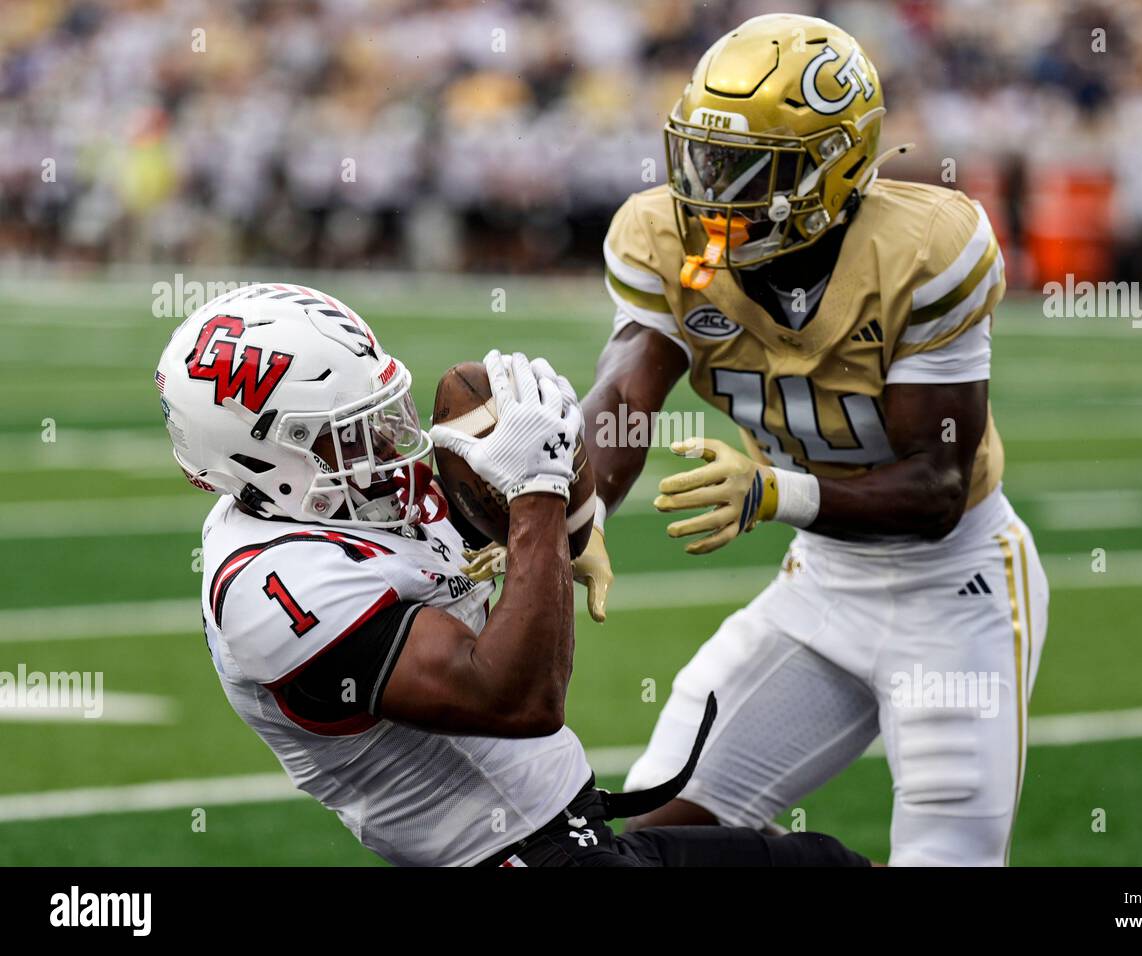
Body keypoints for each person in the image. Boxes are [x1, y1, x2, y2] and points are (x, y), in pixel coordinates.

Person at [155, 281, 867, 867]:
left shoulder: (348, 494)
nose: (388, 443)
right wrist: (538, 498)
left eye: (380, 412)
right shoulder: (270, 587)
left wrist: (560, 497)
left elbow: (496, 507)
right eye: (350, 433)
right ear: (260, 463)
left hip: (565, 835)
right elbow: (517, 699)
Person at [580, 14, 1049, 865]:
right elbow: (622, 394)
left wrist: (772, 493)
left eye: (748, 168)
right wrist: (575, 512)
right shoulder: (664, 238)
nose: (711, 191)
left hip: (957, 590)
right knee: (644, 843)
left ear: (832, 171)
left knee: (948, 855)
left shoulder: (924, 248)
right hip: (822, 586)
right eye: (702, 159)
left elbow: (936, 488)